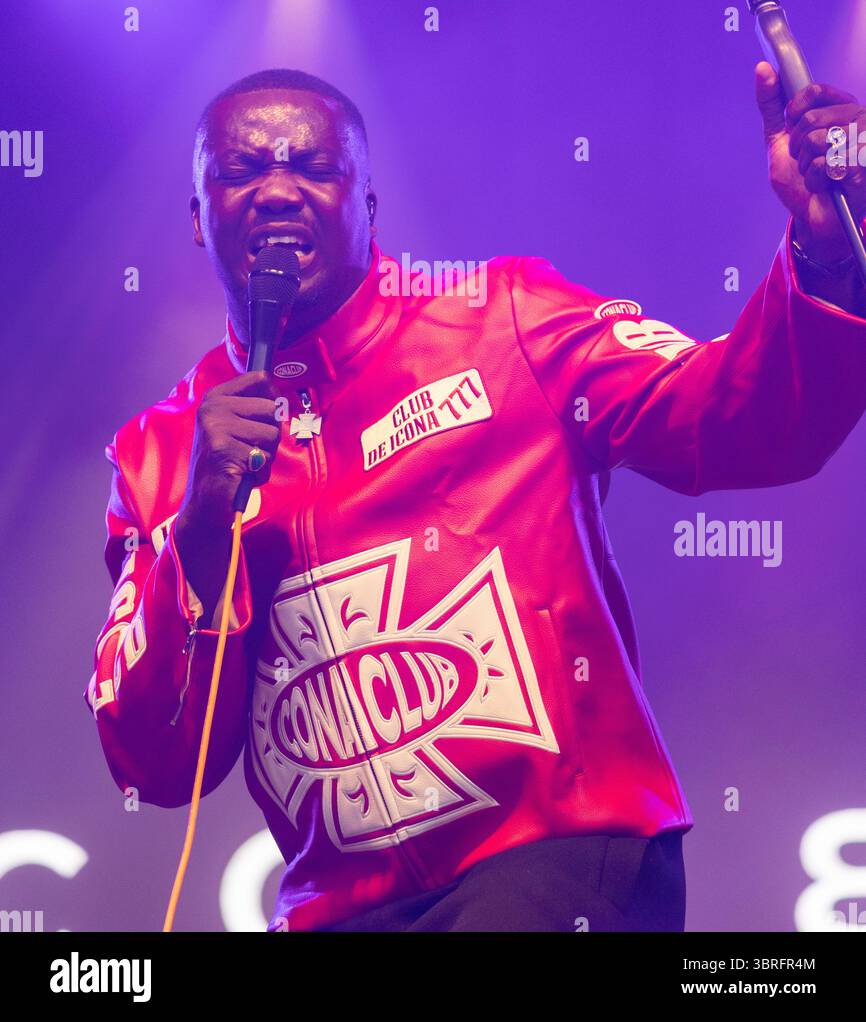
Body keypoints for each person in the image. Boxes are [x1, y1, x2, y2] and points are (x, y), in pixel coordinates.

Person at [85, 64, 866, 933]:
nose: (275, 190)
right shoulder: (159, 454)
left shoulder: (506, 317)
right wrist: (197, 533)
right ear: (199, 218)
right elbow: (155, 766)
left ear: (367, 204)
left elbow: (744, 421)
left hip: (552, 854)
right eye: (240, 171)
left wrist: (828, 248)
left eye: (313, 166)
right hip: (332, 909)